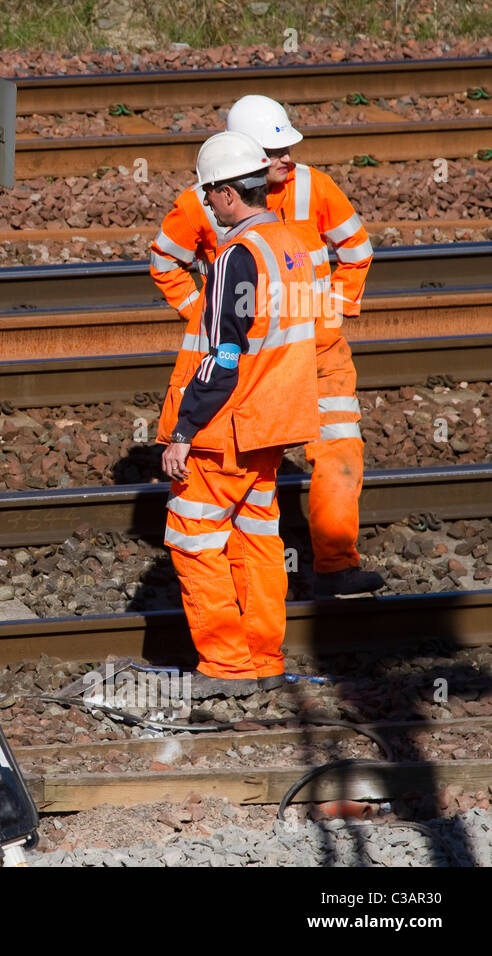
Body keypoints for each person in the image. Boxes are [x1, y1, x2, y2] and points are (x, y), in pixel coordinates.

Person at [150, 94, 382, 597]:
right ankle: (246, 574)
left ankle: (336, 566)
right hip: (251, 364)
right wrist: (205, 317)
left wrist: (330, 312)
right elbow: (166, 262)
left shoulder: (314, 188)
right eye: (274, 151)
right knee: (251, 464)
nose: (286, 160)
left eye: (288, 149)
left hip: (318, 354)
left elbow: (357, 252)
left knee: (339, 449)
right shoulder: (205, 201)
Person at [157, 131, 320, 697]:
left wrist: (183, 429)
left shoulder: (236, 257)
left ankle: (227, 667)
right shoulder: (292, 246)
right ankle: (264, 658)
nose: (205, 206)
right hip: (274, 425)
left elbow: (223, 357)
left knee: (195, 538)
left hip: (226, 429)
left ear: (228, 193)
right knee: (256, 539)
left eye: (208, 195)